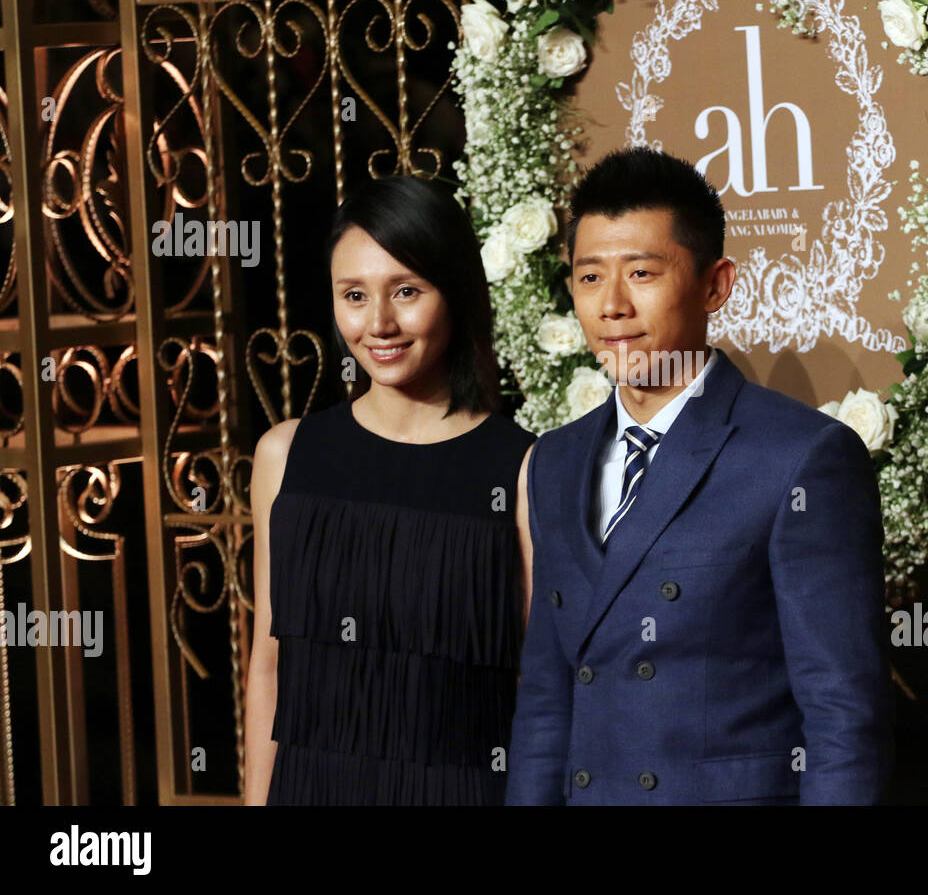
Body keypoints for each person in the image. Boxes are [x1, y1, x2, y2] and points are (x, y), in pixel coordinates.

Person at [505, 147, 894, 805]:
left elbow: (843, 719)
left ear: (716, 285)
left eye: (642, 273)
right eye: (590, 277)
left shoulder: (801, 457)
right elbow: (546, 702)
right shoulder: (554, 462)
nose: (613, 306)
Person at [245, 176, 535, 805]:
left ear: (454, 293)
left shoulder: (521, 468)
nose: (378, 323)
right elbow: (269, 671)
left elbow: (534, 688)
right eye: (354, 295)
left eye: (407, 291)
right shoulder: (285, 455)